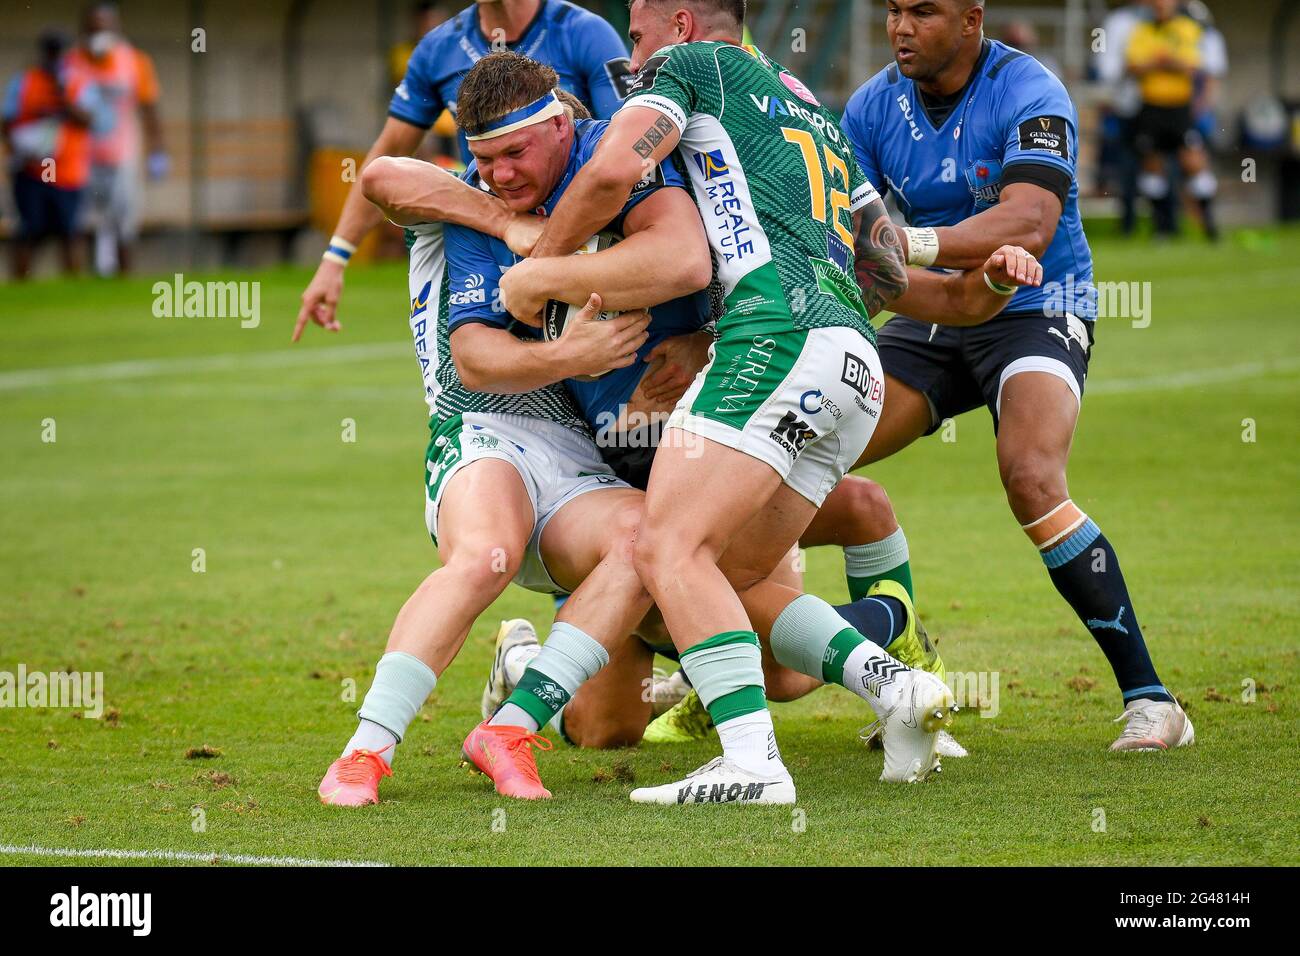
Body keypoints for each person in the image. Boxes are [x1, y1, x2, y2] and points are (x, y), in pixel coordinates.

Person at [355, 51, 1042, 799]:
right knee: (602, 724)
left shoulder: (667, 160)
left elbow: (707, 261)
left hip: (701, 433)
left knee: (793, 618)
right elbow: (384, 178)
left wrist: (700, 338)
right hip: (607, 466)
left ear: (566, 126)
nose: (636, 56)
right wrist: (535, 286)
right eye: (485, 160)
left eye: (513, 154)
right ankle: (537, 674)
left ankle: (888, 669)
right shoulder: (499, 190)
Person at [836, 0, 1193, 753]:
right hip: (932, 312)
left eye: (923, 12)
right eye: (894, 10)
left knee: (1031, 478)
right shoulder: (870, 107)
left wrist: (912, 244)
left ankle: (1152, 700)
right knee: (805, 458)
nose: (901, 26)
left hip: (1037, 302)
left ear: (971, 19)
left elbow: (1028, 220)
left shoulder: (1031, 92)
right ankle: (903, 673)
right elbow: (853, 246)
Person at [293, 0, 635, 345]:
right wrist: (335, 259)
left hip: (586, 234)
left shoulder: (583, 32)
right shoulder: (439, 47)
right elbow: (386, 158)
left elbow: (627, 147)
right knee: (480, 368)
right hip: (485, 239)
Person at [67, 1, 167, 276]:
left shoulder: (135, 61)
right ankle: (80, 285)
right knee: (81, 224)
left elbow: (149, 109)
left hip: (122, 155)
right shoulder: (71, 62)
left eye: (105, 26)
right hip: (80, 157)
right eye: (93, 27)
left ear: (116, 27)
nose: (100, 33)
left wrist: (157, 151)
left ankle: (124, 280)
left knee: (124, 223)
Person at [2, 30, 96, 278]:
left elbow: (88, 120)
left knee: (70, 231)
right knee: (30, 229)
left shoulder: (78, 83)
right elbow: (7, 122)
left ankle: (73, 288)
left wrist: (64, 99)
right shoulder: (24, 81)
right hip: (33, 170)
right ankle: (21, 285)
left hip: (68, 171)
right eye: (51, 52)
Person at [1125, 0, 1218, 239]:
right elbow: (1133, 65)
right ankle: (1162, 227)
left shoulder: (1187, 28)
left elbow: (1191, 66)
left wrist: (1162, 62)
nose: (1160, 4)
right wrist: (1160, 63)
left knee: (1193, 162)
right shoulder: (1142, 30)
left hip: (1179, 107)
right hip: (1151, 106)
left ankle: (1209, 223)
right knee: (1153, 166)